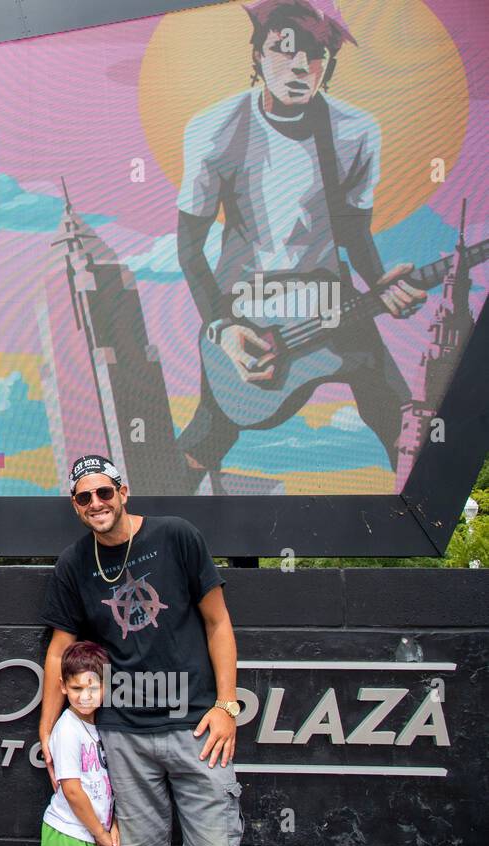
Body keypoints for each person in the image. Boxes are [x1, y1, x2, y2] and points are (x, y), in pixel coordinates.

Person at [175, 0, 425, 487]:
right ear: (257, 54)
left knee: (398, 421)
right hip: (248, 309)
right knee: (207, 436)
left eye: (314, 53)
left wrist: (381, 283)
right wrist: (223, 327)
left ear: (329, 63)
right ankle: (154, 542)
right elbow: (189, 247)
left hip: (332, 304)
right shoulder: (215, 129)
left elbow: (354, 230)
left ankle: (419, 521)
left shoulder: (356, 131)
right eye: (281, 49)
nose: (298, 66)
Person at [39, 455, 243, 846]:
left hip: (197, 727)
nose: (95, 502)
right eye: (84, 497)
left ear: (123, 493)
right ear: (75, 506)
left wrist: (226, 705)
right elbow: (59, 650)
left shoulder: (177, 536)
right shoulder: (73, 563)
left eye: (104, 492)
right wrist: (46, 728)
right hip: (123, 732)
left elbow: (218, 622)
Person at [41, 641, 119, 846]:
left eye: (93, 688)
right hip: (68, 833)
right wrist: (102, 835)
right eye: (77, 688)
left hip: (90, 836)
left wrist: (110, 826)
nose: (85, 696)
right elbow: (72, 791)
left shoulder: (99, 728)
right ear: (63, 686)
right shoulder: (67, 729)